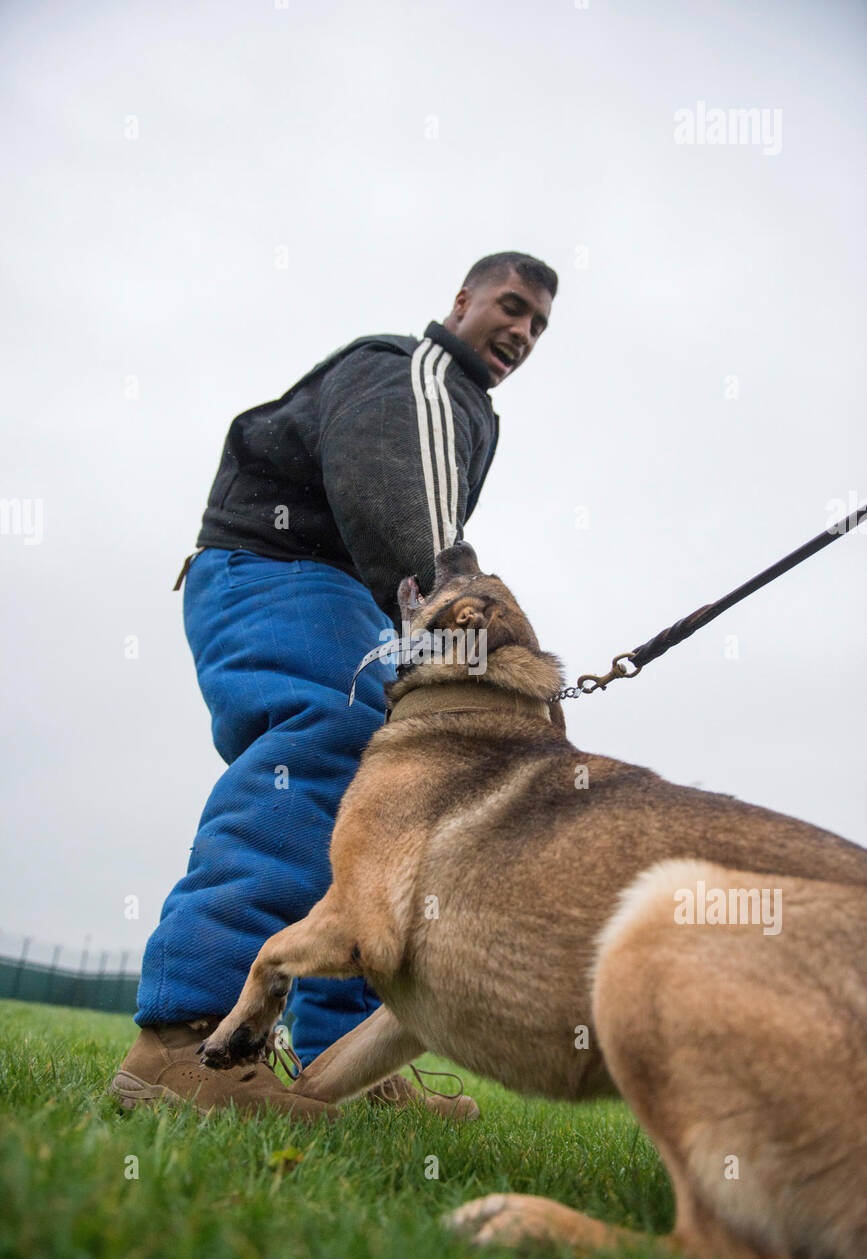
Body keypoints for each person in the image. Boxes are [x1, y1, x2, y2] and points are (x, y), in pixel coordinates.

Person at [110, 251, 557, 1121]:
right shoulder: (415, 372)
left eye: (538, 325)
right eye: (510, 306)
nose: (521, 332)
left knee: (375, 793)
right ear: (461, 300)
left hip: (339, 596)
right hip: (280, 570)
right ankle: (183, 1042)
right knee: (327, 735)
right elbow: (405, 514)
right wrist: (474, 654)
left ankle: (340, 1064)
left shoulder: (467, 409)